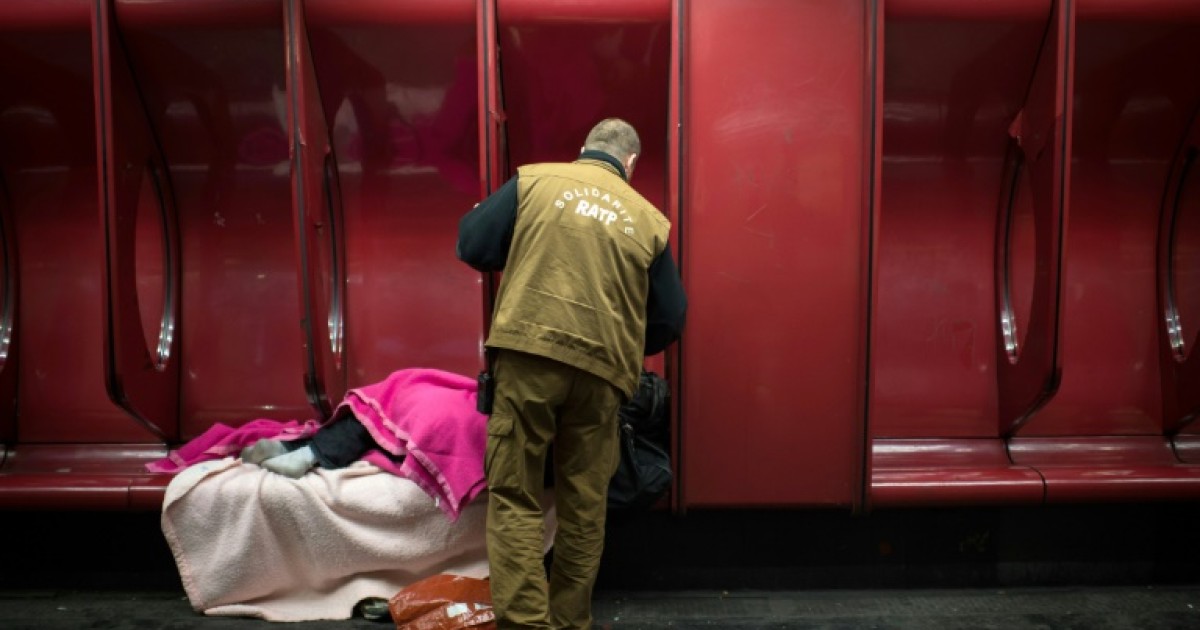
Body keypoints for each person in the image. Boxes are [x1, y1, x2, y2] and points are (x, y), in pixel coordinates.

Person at [456, 118, 686, 629]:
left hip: (529, 356)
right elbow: (671, 318)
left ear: (583, 151)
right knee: (585, 506)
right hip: (603, 375)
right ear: (630, 165)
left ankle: (526, 624)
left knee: (516, 494)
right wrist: (619, 340)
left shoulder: (536, 180)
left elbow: (472, 245)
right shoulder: (650, 221)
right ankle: (568, 623)